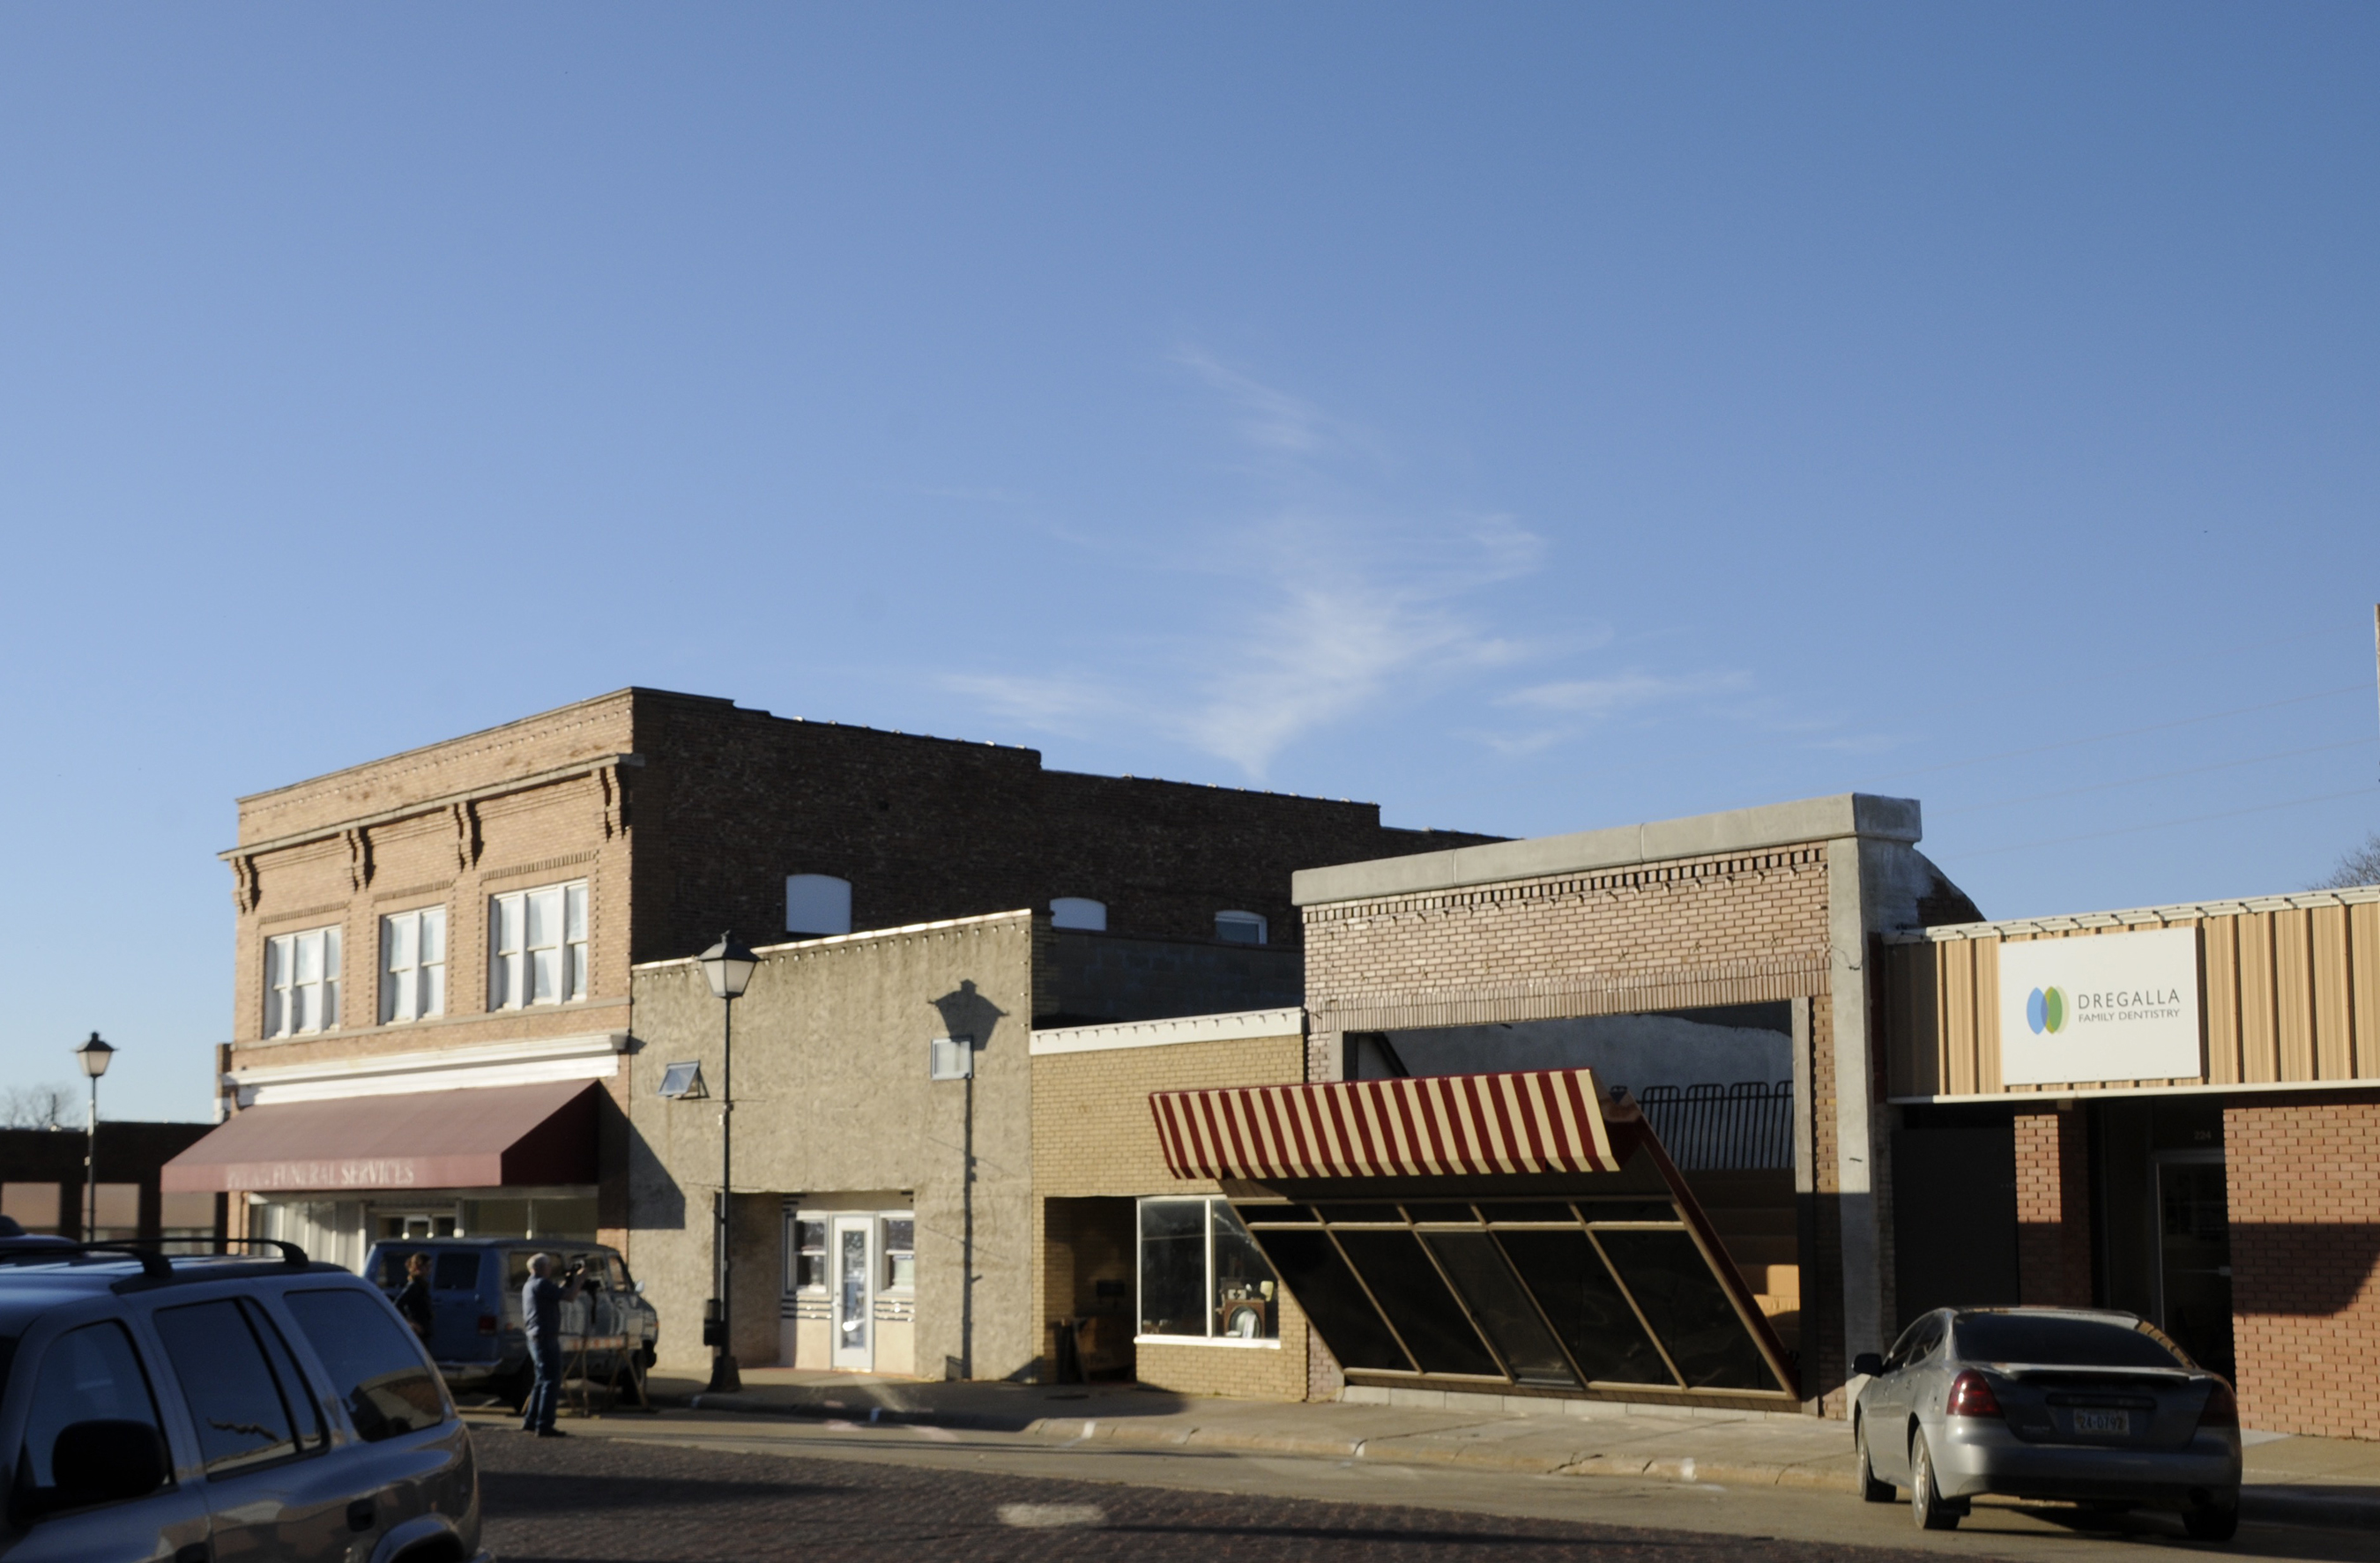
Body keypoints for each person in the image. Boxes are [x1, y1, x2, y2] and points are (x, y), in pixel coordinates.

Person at [518, 1253, 585, 1438]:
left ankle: (531, 1420)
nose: (550, 1269)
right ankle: (545, 1424)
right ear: (541, 1268)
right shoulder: (541, 1284)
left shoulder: (531, 1285)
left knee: (541, 1380)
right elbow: (570, 1297)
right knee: (551, 1380)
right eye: (548, 1266)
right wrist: (580, 1280)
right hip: (545, 1337)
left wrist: (568, 1281)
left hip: (535, 1337)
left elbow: (559, 1294)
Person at [393, 1252, 434, 1345]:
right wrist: (411, 1323)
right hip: (417, 1331)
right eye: (426, 1266)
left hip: (425, 1330)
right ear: (418, 1267)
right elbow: (397, 1304)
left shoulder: (422, 1285)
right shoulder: (414, 1286)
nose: (429, 1269)